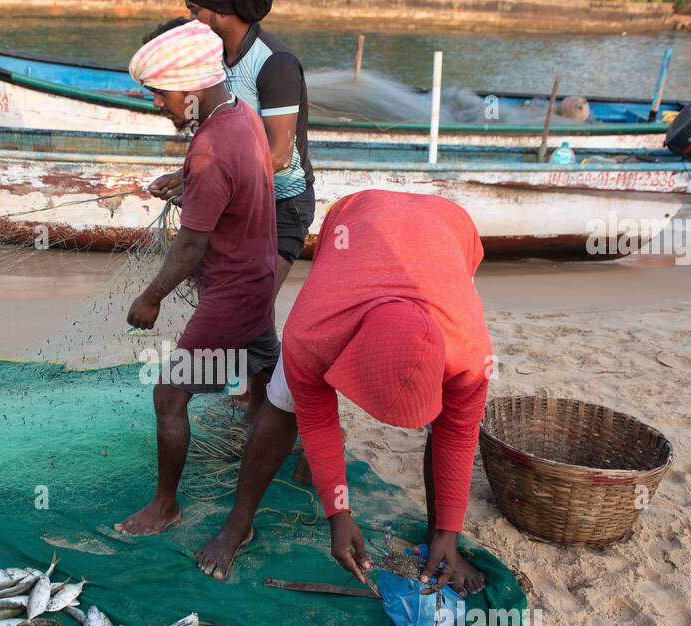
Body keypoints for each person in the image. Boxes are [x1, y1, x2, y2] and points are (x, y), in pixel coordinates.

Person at [195, 190, 493, 596]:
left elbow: (458, 436)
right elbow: (318, 418)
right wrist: (338, 513)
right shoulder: (312, 331)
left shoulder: (470, 356)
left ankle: (438, 539)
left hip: (449, 230)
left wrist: (451, 530)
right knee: (284, 405)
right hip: (356, 219)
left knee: (446, 431)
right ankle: (238, 521)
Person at [114, 20, 280, 537]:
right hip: (260, 276)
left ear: (188, 86)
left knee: (169, 393)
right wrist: (187, 182)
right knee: (265, 368)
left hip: (230, 293)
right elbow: (237, 185)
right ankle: (272, 442)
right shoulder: (241, 117)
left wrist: (151, 297)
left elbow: (191, 245)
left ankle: (166, 505)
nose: (157, 105)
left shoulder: (208, 149)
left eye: (160, 94)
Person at [149, 0, 314, 293]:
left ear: (222, 9)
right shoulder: (214, 59)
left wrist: (203, 181)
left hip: (282, 207)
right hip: (239, 204)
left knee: (248, 308)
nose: (191, 20)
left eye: (195, 11)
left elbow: (279, 155)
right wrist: (188, 177)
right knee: (223, 305)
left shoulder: (274, 63)